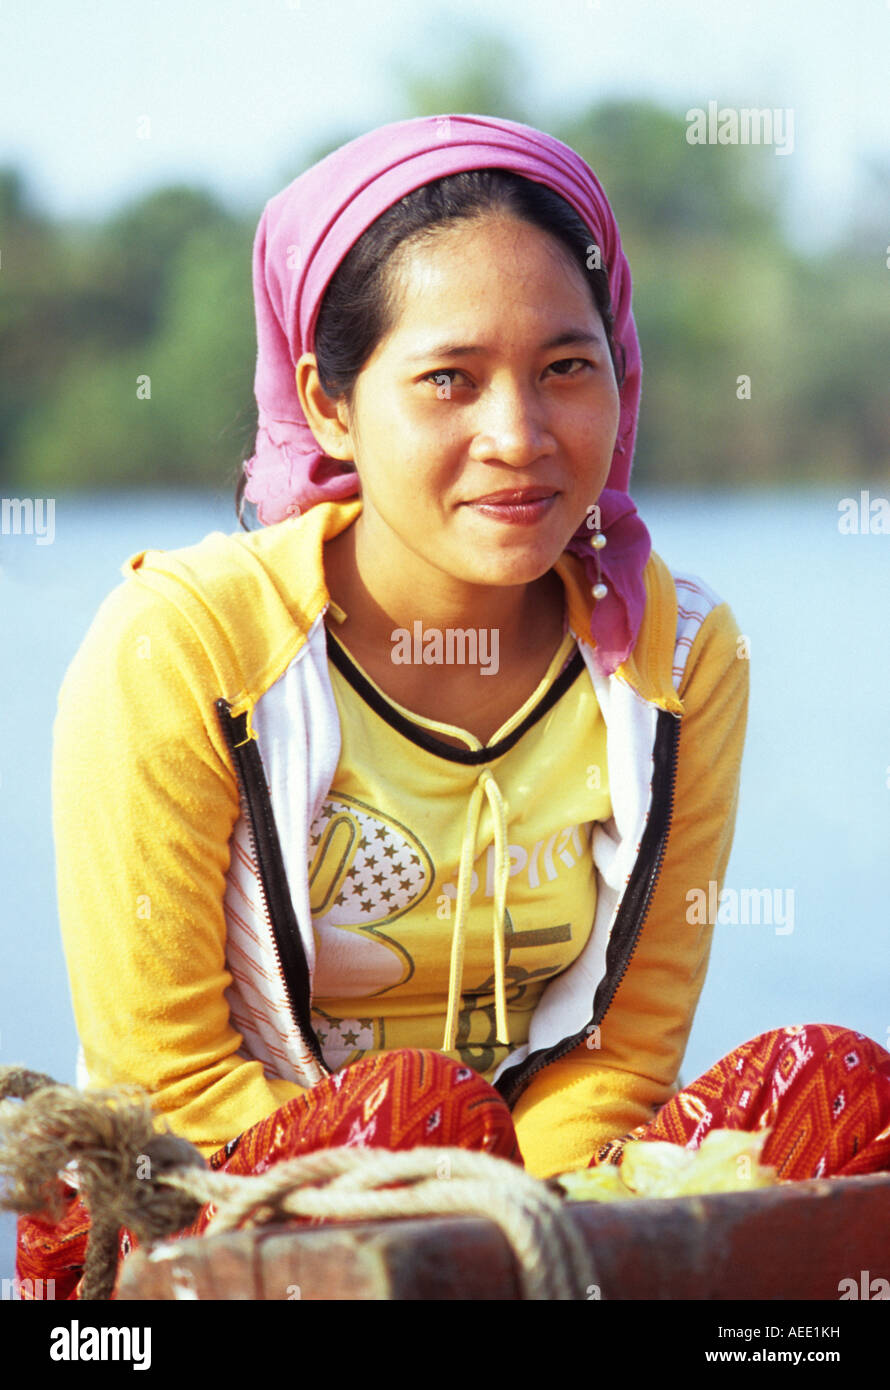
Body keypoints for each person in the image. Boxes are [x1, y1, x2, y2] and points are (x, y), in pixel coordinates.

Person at [16, 114, 890, 1300]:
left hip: (520, 1212)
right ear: (329, 403)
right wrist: (465, 1189)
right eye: (448, 380)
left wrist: (524, 1222)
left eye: (565, 368)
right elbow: (163, 1083)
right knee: (421, 1105)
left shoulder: (677, 656)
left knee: (835, 1082)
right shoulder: (186, 643)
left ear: (619, 374)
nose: (518, 437)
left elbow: (620, 1058)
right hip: (199, 1210)